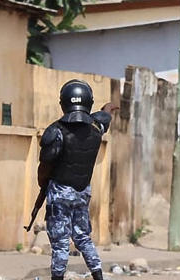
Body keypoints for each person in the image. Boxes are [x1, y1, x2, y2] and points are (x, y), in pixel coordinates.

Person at [38, 80, 115, 280]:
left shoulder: (55, 131)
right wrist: (108, 107)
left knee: (60, 242)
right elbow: (104, 117)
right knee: (83, 237)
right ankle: (98, 275)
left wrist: (43, 186)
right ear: (88, 102)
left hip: (60, 193)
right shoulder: (96, 129)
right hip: (82, 192)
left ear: (63, 102)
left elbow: (44, 166)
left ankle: (57, 277)